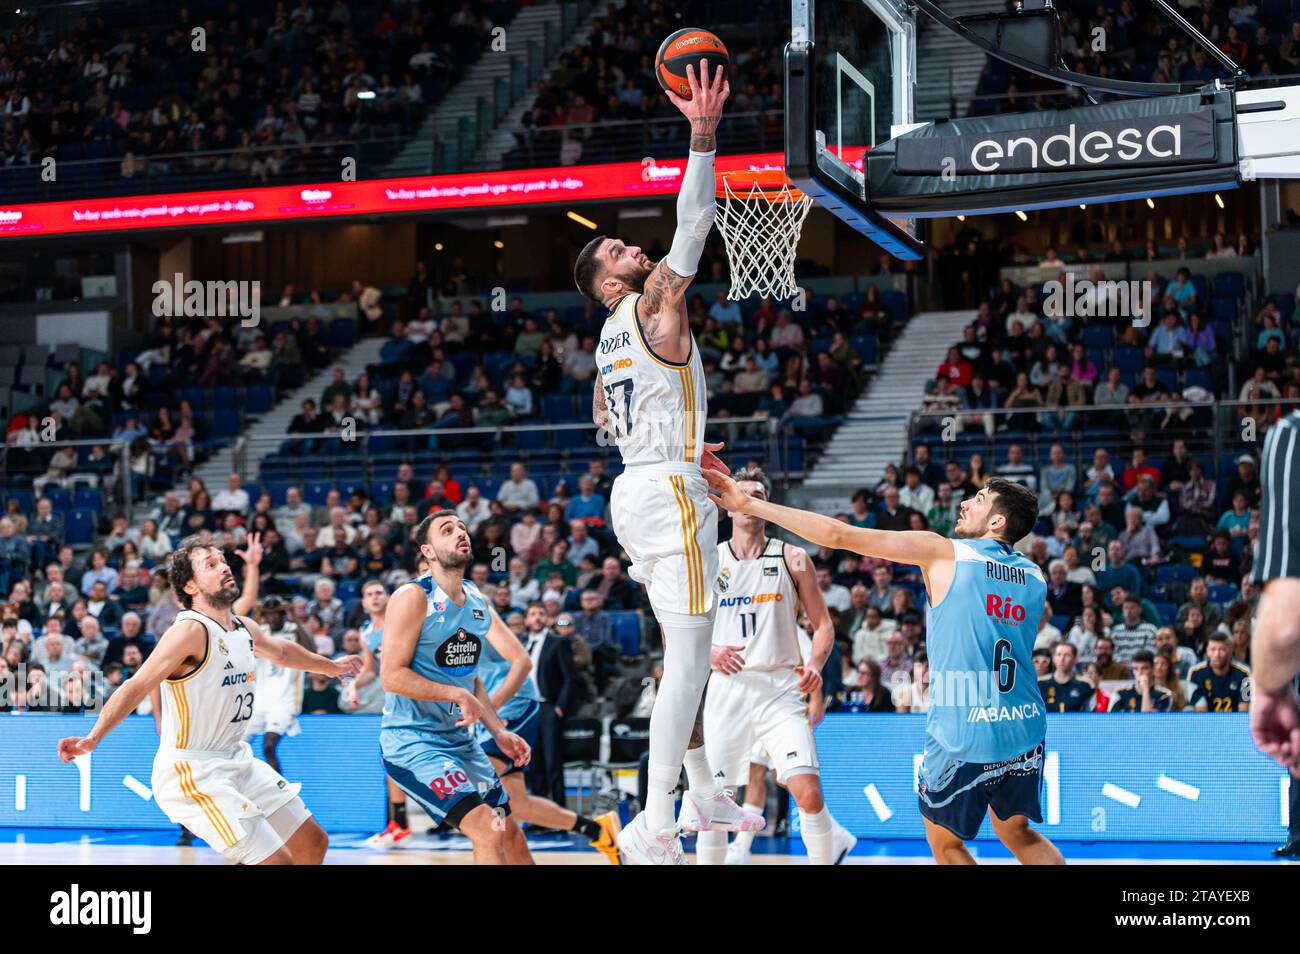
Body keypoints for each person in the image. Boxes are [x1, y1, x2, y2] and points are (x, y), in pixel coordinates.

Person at [704, 469, 1064, 865]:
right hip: (1025, 725)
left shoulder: (944, 551)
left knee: (947, 845)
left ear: (997, 521)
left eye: (978, 499)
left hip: (965, 732)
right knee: (1017, 831)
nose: (964, 503)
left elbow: (839, 536)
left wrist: (750, 504)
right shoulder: (1034, 576)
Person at [574, 61, 750, 865]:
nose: (631, 245)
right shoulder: (648, 305)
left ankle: (702, 790)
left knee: (685, 655)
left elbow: (612, 421)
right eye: (618, 248)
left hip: (637, 489)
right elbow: (695, 225)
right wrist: (703, 137)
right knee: (689, 657)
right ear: (611, 281)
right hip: (668, 495)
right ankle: (654, 820)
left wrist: (681, 440)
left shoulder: (603, 343)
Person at [57, 538, 362, 864]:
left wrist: (329, 666)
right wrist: (94, 736)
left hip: (235, 759)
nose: (225, 566)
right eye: (211, 564)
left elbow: (282, 651)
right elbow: (137, 684)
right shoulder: (189, 631)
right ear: (190, 585)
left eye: (223, 560)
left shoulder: (243, 627)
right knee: (277, 862)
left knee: (312, 843)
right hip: (192, 770)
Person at [700, 467, 852, 865]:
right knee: (715, 804)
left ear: (767, 505)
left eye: (758, 494)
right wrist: (711, 650)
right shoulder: (708, 560)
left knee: (807, 791)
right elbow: (676, 631)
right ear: (728, 505)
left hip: (780, 686)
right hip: (726, 687)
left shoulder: (793, 557)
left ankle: (826, 852)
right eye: (742, 492)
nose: (749, 499)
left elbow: (823, 626)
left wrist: (816, 664)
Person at [379, 511, 533, 865]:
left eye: (462, 527)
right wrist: (455, 694)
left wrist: (498, 730)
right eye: (447, 531)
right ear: (428, 551)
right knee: (486, 825)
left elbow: (470, 677)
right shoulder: (412, 596)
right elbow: (391, 676)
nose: (459, 533)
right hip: (412, 741)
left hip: (460, 742)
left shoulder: (477, 601)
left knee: (509, 832)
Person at [475, 604, 621, 863]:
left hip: (513, 704)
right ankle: (596, 829)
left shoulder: (473, 604)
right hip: (484, 709)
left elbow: (524, 664)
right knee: (516, 805)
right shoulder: (428, 613)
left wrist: (488, 709)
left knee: (482, 796)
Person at [341, 580, 410, 849]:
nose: (374, 597)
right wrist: (354, 685)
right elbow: (370, 669)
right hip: (394, 702)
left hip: (416, 696)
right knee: (390, 760)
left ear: (389, 596)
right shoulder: (366, 631)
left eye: (379, 592)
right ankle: (399, 824)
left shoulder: (400, 620)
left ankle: (403, 824)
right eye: (369, 594)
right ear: (363, 601)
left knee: (398, 760)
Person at [1188, 633, 1252, 712]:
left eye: (1222, 649)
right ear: (1207, 651)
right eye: (1213, 649)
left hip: (1236, 722)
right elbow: (1201, 712)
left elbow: (1244, 711)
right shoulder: (1195, 673)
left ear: (1230, 651)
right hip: (1207, 722)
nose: (1217, 654)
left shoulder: (1245, 673)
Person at [1037, 641, 1096, 712]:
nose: (1062, 659)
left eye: (1067, 655)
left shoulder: (1086, 684)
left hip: (1076, 722)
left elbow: (1091, 712)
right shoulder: (1040, 683)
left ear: (1075, 659)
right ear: (1053, 658)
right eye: (1059, 654)